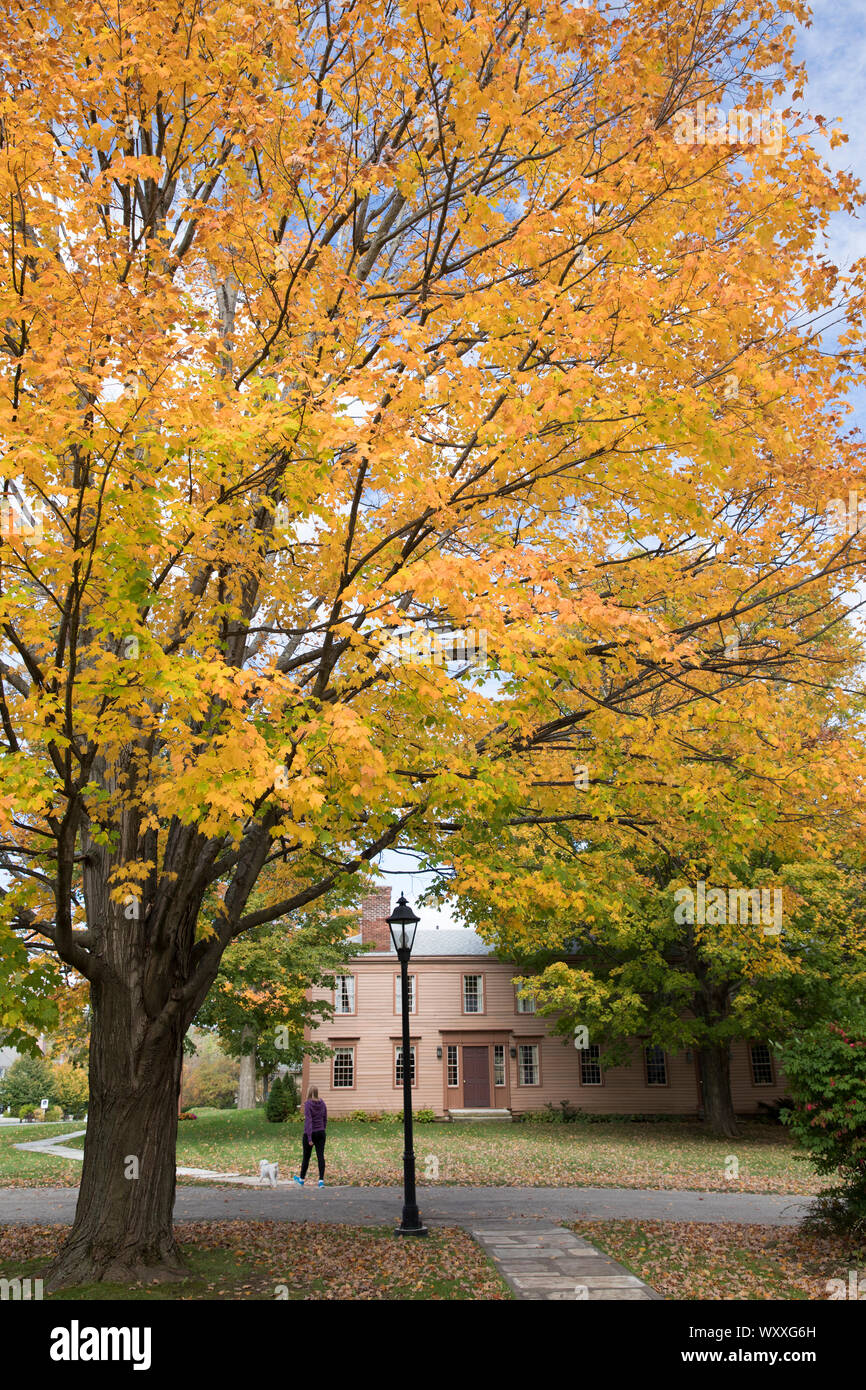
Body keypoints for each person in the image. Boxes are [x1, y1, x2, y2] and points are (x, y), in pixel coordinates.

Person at [294, 1085, 327, 1186]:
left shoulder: (308, 1104)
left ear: (308, 1093)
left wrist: (309, 1138)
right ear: (317, 1092)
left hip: (311, 1133)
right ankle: (321, 1181)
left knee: (306, 1157)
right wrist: (322, 1129)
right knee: (320, 1156)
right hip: (321, 1132)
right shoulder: (323, 1103)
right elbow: (325, 1118)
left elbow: (308, 1121)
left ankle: (302, 1179)